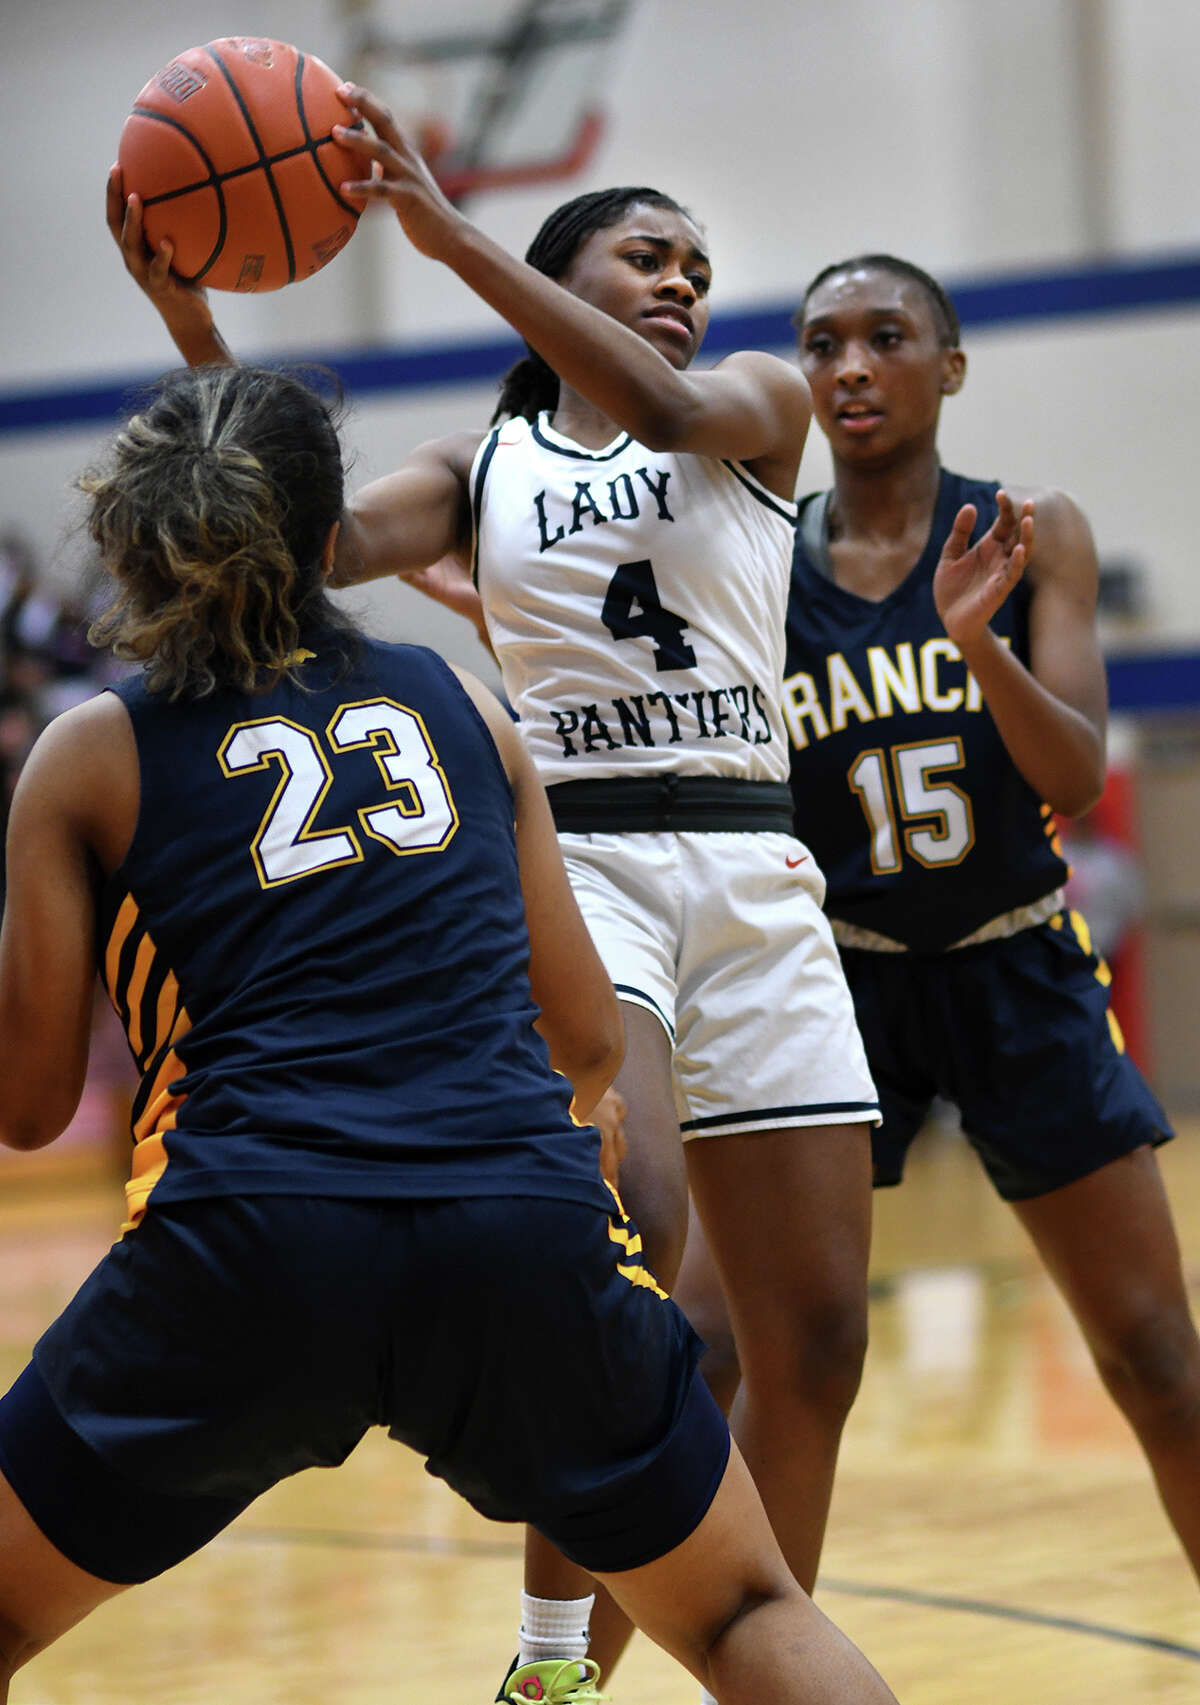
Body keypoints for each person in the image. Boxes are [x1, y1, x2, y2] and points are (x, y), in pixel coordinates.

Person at [108, 82, 888, 1693]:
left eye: (695, 260)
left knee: (808, 1341)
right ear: (564, 269)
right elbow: (294, 542)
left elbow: (670, 418)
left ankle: (759, 1655)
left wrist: (442, 229)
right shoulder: (489, 462)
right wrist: (193, 315)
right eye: (645, 253)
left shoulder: (746, 400)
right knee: (641, 1233)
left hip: (755, 860)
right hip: (582, 860)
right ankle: (549, 1669)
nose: (683, 280)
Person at [679, 252, 1200, 1588]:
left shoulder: (1036, 529)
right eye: (823, 343)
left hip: (1014, 961)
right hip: (828, 987)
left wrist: (982, 645)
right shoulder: (754, 557)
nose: (851, 367)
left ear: (949, 365)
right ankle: (735, 1665)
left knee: (1156, 1357)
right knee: (733, 1355)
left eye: (886, 337)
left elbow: (1078, 775)